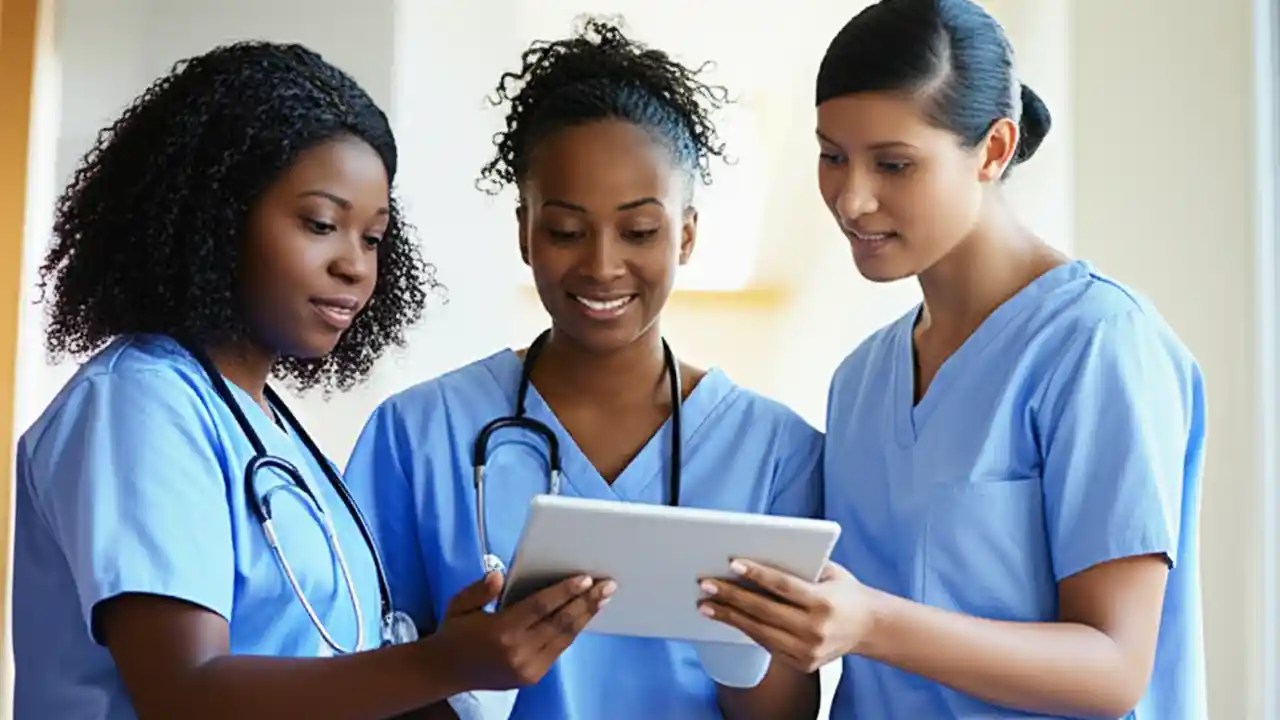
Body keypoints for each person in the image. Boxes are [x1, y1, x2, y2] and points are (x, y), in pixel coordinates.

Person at [11, 41, 614, 720]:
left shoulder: (273, 430)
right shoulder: (136, 403)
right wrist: (440, 661)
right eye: (322, 224)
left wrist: (454, 665)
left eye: (373, 238)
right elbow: (184, 692)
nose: (354, 266)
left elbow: (322, 673)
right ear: (218, 214)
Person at [697, 1, 1207, 718]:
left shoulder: (1096, 343)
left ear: (994, 150)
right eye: (832, 156)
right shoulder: (861, 380)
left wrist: (872, 624)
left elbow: (1114, 668)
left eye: (894, 164)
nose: (852, 198)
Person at [344, 18, 824, 720]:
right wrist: (453, 665)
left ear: (686, 234)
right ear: (523, 231)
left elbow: (784, 715)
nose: (602, 265)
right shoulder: (419, 434)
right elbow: (356, 678)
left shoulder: (777, 451)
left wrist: (735, 642)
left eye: (640, 231)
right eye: (566, 231)